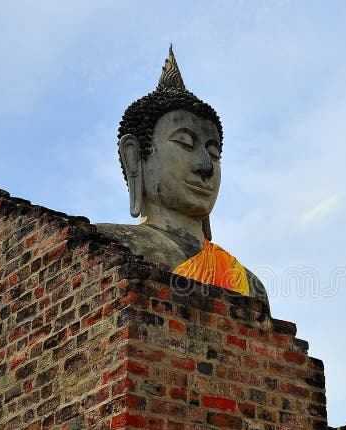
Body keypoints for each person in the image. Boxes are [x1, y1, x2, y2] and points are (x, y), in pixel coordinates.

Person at [97, 46, 268, 306]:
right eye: (185, 143)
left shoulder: (248, 285)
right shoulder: (107, 247)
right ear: (134, 156)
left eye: (214, 153)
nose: (205, 166)